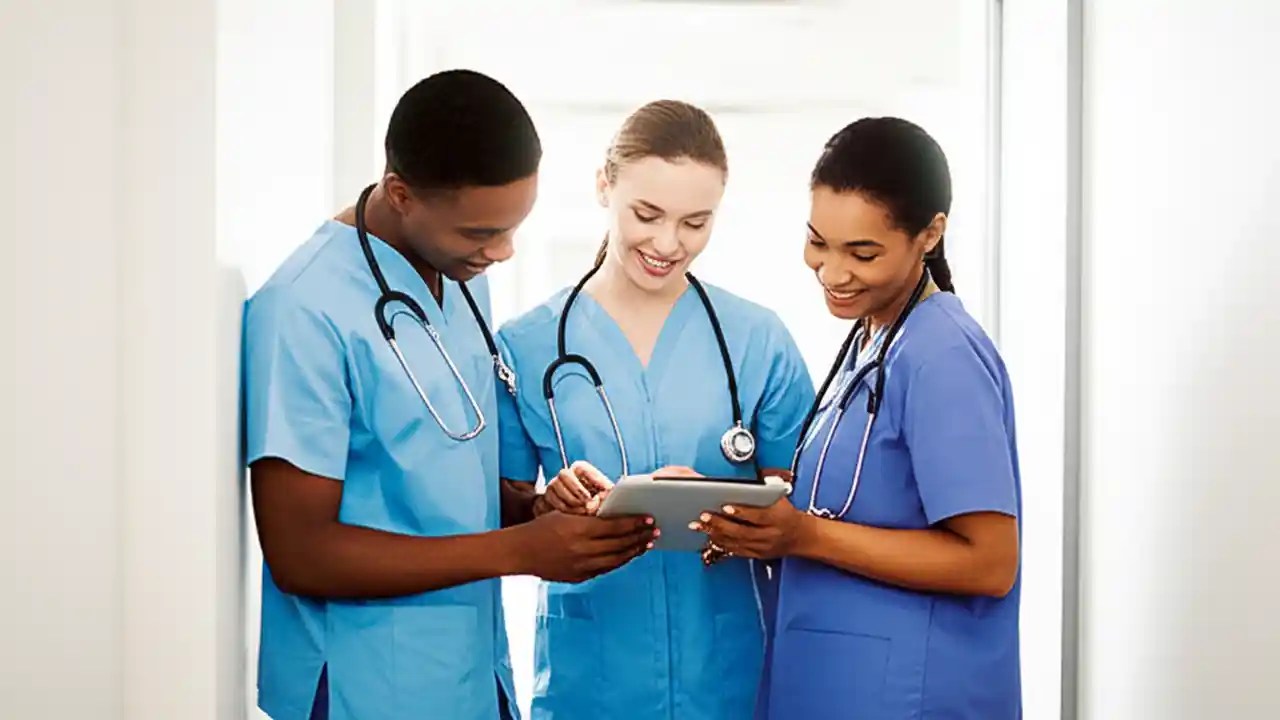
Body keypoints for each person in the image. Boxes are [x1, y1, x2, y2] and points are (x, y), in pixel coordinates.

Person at [242, 69, 657, 720]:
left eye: (512, 227)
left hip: (470, 675)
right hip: (364, 685)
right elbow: (301, 553)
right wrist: (522, 552)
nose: (503, 251)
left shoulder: (458, 274)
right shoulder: (304, 308)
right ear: (401, 194)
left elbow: (432, 474)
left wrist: (534, 508)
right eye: (480, 234)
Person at [493, 100, 816, 719]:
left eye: (696, 222)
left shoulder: (755, 339)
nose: (669, 243)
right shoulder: (528, 345)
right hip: (591, 678)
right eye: (647, 214)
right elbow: (503, 513)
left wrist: (731, 506)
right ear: (602, 186)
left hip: (730, 676)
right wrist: (546, 505)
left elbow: (805, 500)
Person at [695, 117, 1023, 719]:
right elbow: (849, 509)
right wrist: (746, 516)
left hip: (911, 697)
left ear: (929, 234)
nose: (833, 272)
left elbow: (990, 561)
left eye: (862, 252)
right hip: (840, 687)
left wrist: (804, 535)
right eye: (819, 242)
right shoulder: (873, 339)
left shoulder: (941, 354)